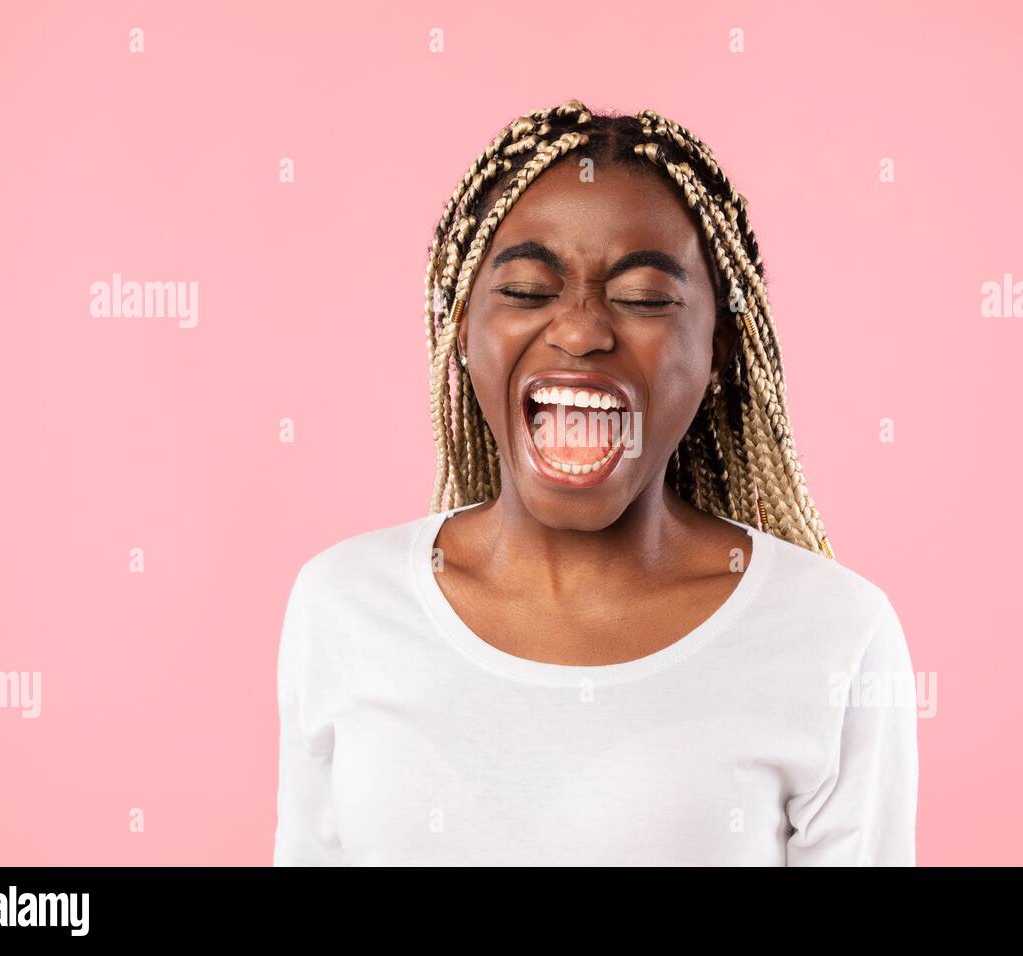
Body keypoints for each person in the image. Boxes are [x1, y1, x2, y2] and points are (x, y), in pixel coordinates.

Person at [273, 99, 918, 866]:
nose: (580, 330)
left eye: (644, 298)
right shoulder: (342, 605)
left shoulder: (834, 633)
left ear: (718, 349)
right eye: (524, 291)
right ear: (463, 334)